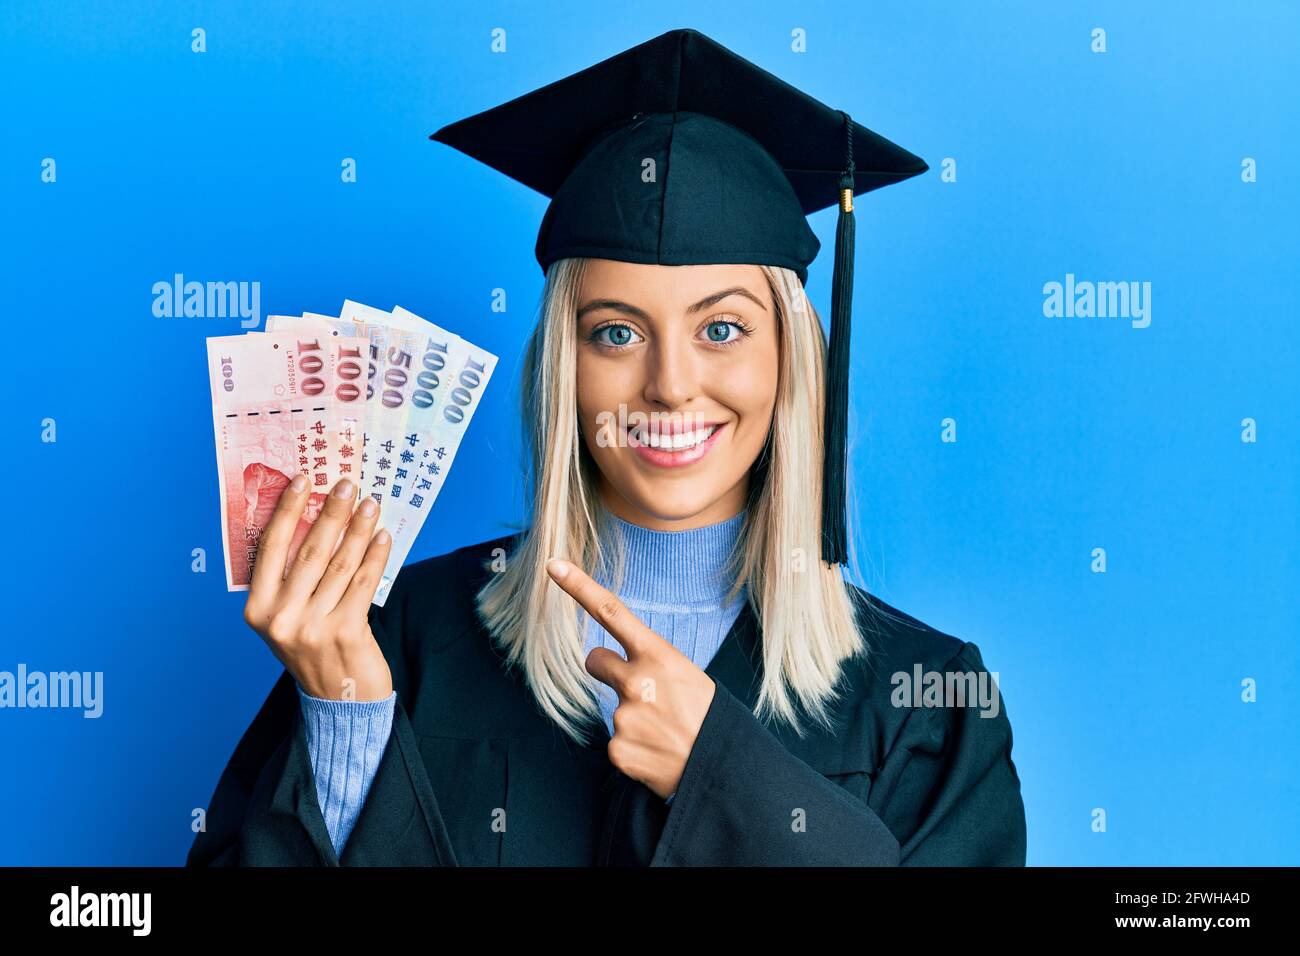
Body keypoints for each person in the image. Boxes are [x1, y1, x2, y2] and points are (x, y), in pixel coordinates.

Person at [188, 28, 1026, 867]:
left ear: (793, 361)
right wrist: (349, 722)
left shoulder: (927, 704)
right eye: (616, 332)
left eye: (723, 328)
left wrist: (726, 779)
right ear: (563, 365)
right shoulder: (405, 635)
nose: (669, 383)